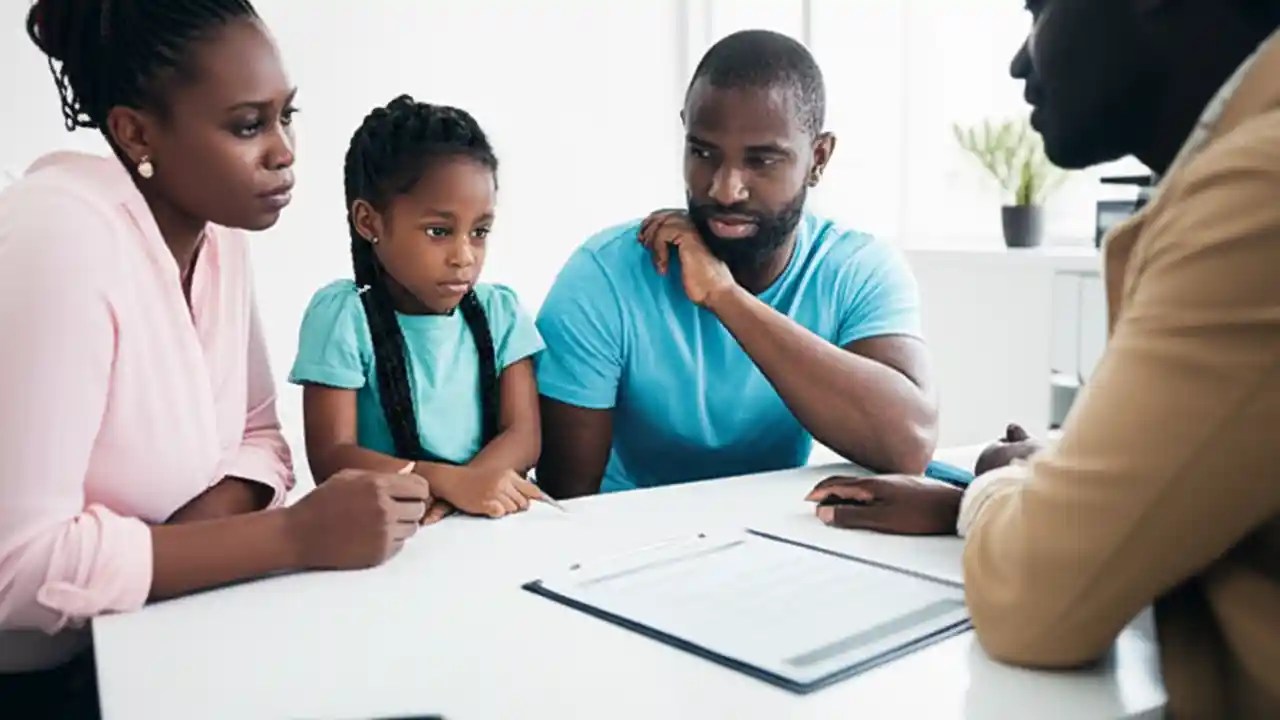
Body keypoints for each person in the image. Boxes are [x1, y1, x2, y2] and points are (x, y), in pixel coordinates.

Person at [807, 2, 1280, 715]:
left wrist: (995, 492)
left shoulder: (1257, 195)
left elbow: (1035, 601)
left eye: (1039, 7)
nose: (1020, 60)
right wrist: (1054, 475)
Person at [0, 2, 432, 714]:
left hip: (154, 634)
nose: (284, 151)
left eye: (286, 115)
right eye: (247, 125)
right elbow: (17, 566)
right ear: (135, 131)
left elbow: (261, 442)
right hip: (40, 679)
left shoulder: (216, 233)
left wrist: (173, 555)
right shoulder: (61, 240)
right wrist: (291, 534)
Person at [535, 30, 938, 497]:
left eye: (762, 161)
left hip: (774, 534)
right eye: (703, 153)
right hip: (623, 536)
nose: (725, 189)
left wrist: (725, 297)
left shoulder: (858, 269)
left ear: (818, 158)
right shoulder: (602, 276)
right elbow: (565, 503)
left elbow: (910, 445)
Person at [289, 95, 547, 520]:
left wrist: (464, 491)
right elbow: (331, 457)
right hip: (392, 530)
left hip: (490, 519)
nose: (464, 256)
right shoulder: (343, 317)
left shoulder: (501, 313)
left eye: (480, 231)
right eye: (439, 231)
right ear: (368, 222)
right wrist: (448, 483)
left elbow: (523, 435)